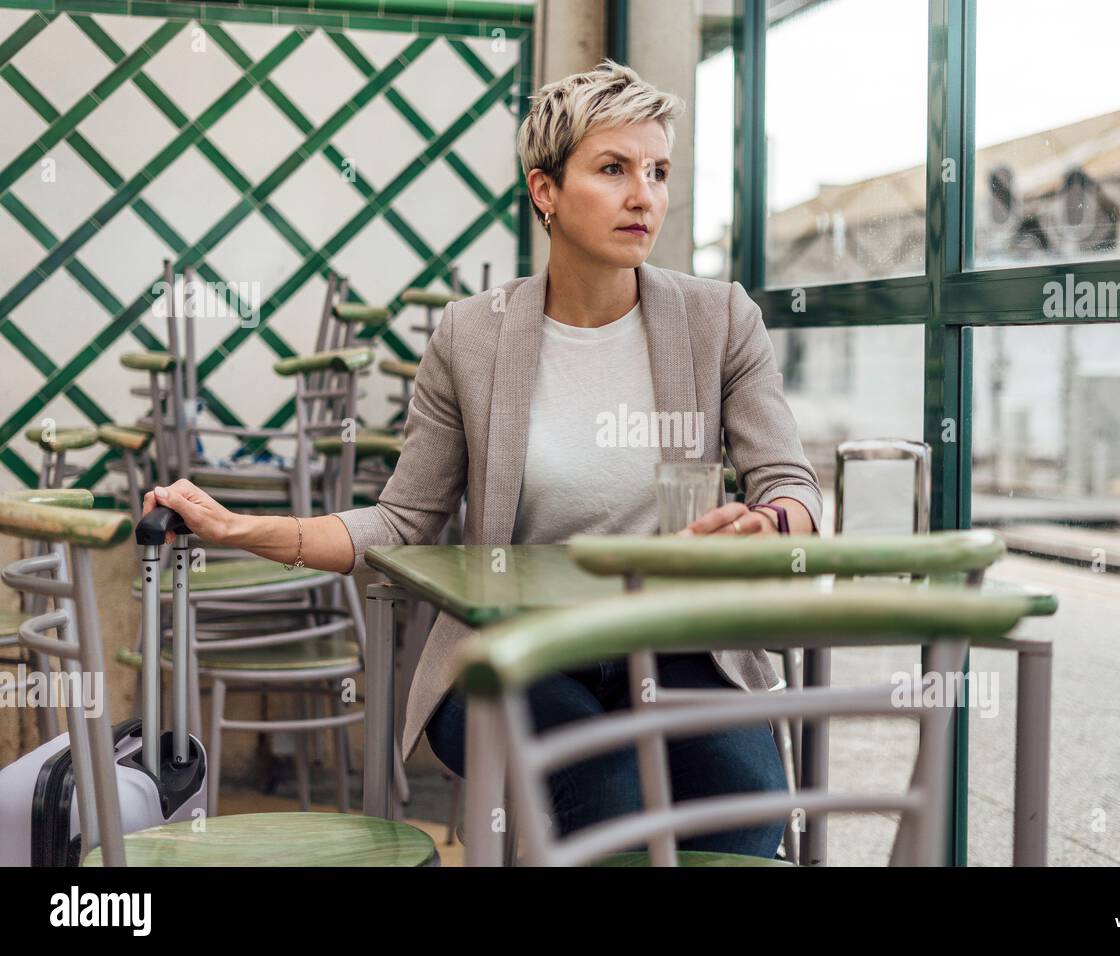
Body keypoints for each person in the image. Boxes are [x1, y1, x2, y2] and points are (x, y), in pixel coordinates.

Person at [143, 59, 822, 860]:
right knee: (610, 792)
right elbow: (402, 521)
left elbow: (791, 485)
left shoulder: (719, 320)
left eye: (659, 171)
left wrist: (772, 523)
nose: (646, 196)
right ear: (546, 191)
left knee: (747, 812)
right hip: (513, 652)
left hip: (678, 642)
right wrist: (248, 529)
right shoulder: (471, 337)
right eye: (613, 169)